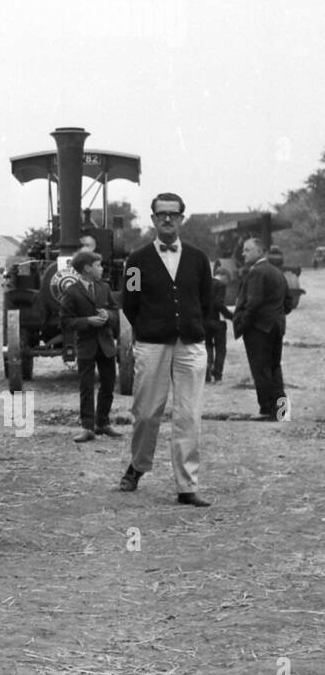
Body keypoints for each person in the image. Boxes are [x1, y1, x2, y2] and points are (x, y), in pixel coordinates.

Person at [118, 192, 213, 507]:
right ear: (153, 219)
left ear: (182, 218)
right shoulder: (136, 260)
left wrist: (196, 329)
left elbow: (206, 300)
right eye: (162, 214)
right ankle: (138, 465)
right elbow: (129, 303)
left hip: (190, 345)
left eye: (174, 214)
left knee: (188, 416)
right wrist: (149, 329)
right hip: (153, 345)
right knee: (146, 413)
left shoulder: (199, 259)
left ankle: (187, 486)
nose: (168, 219)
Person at [61, 249, 122, 442]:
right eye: (98, 265)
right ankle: (87, 427)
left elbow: (114, 311)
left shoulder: (104, 288)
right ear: (87, 268)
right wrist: (88, 321)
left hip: (106, 345)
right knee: (86, 387)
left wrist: (108, 316)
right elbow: (65, 321)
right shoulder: (72, 292)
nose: (101, 268)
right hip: (86, 346)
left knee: (109, 384)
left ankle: (102, 423)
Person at [233, 237, 292, 421]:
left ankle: (267, 411)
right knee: (275, 369)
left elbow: (254, 302)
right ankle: (282, 413)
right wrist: (275, 315)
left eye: (247, 250)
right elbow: (288, 303)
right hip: (276, 327)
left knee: (261, 370)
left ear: (260, 252)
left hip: (259, 330)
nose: (243, 253)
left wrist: (243, 324)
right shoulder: (277, 272)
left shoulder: (256, 272)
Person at [205, 259, 230, 383]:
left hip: (204, 321)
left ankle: (207, 372)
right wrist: (230, 315)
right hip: (218, 322)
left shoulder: (205, 283)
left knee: (207, 346)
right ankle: (218, 375)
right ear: (224, 277)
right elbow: (218, 304)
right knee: (221, 348)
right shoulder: (221, 285)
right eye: (227, 280)